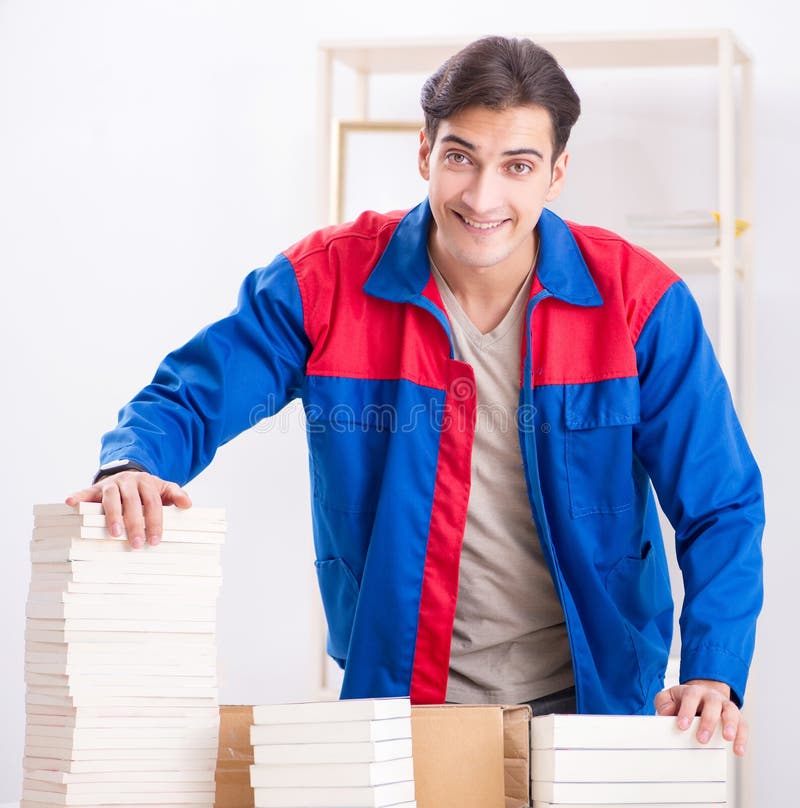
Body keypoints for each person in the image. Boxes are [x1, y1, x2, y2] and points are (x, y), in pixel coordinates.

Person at [67, 36, 763, 756]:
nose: (483, 197)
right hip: (401, 701)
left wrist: (713, 668)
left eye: (517, 166)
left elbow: (720, 503)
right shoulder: (326, 281)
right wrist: (134, 463)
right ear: (425, 152)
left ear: (556, 174)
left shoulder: (640, 303)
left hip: (597, 705)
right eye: (461, 157)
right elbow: (195, 392)